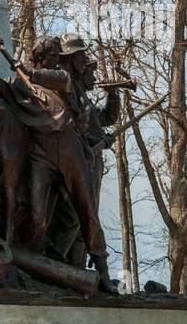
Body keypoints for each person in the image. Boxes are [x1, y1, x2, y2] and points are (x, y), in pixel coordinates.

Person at [15, 35, 117, 294]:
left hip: (69, 148)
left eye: (58, 58)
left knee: (86, 212)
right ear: (41, 59)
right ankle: (34, 270)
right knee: (37, 219)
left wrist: (26, 71)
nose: (56, 62)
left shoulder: (62, 79)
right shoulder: (22, 84)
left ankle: (103, 272)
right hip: (40, 153)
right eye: (51, 57)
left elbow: (45, 77)